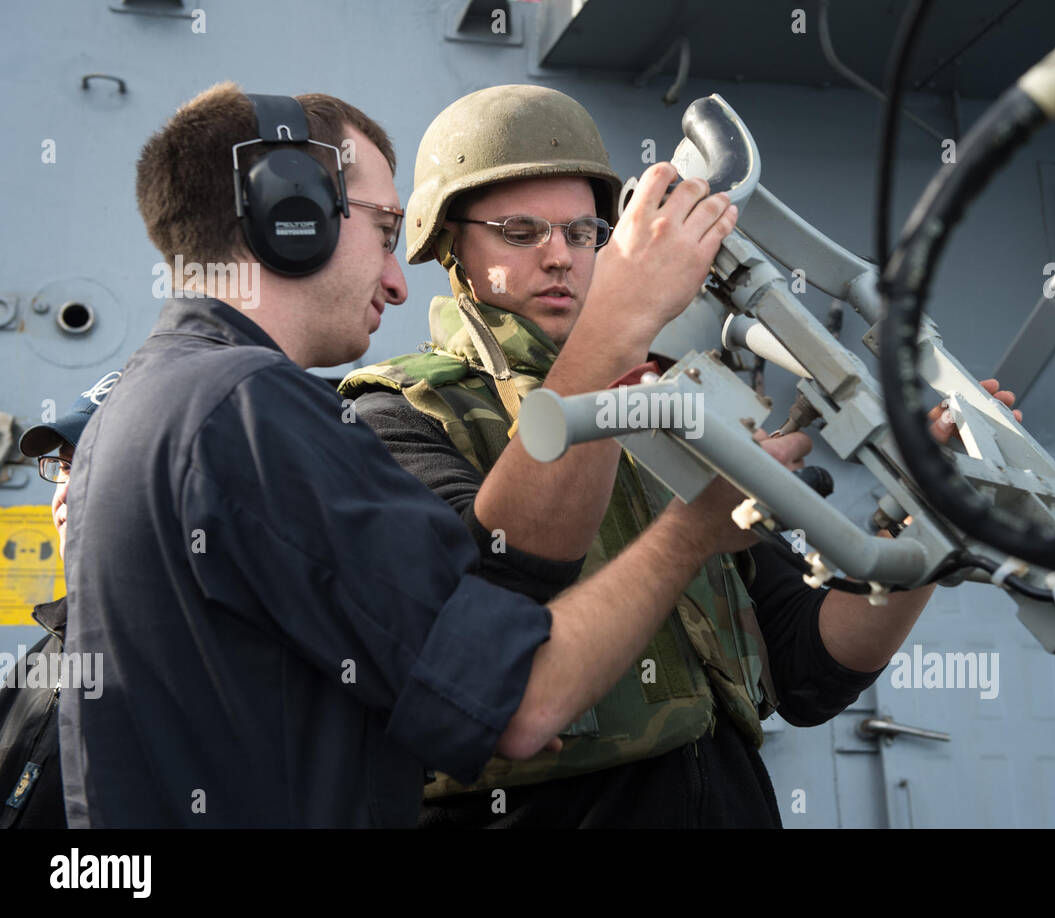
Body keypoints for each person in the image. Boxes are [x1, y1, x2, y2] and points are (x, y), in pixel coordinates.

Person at [61, 82, 785, 828]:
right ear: (292, 215)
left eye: (580, 233)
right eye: (382, 230)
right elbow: (524, 702)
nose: (400, 282)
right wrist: (693, 530)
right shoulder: (249, 410)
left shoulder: (159, 403)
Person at [343, 84, 1021, 827]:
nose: (560, 257)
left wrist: (925, 516)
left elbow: (807, 669)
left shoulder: (672, 407)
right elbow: (483, 654)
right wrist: (625, 324)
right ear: (451, 249)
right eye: (519, 230)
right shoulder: (395, 419)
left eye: (583, 233)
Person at [0, 370, 119, 828]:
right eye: (64, 467)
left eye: (91, 467)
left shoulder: (197, 664)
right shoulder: (48, 649)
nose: (64, 494)